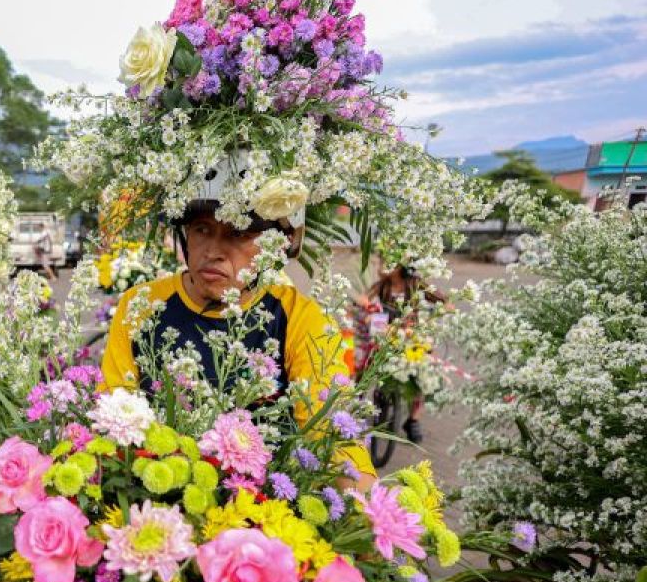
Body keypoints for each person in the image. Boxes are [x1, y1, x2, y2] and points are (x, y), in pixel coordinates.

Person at [102, 158, 376, 488]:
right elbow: (112, 416)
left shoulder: (298, 318)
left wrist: (366, 514)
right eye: (202, 229)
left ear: (281, 242)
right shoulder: (141, 306)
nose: (214, 251)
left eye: (240, 233)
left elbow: (333, 438)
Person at [361, 264, 446, 443]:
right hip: (386, 336)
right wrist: (365, 306)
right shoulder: (382, 285)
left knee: (425, 374)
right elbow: (364, 299)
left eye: (390, 263)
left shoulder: (416, 284)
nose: (382, 266)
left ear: (401, 267)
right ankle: (359, 398)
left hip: (411, 336)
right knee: (366, 363)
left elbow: (443, 300)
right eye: (383, 261)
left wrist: (444, 308)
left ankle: (413, 419)